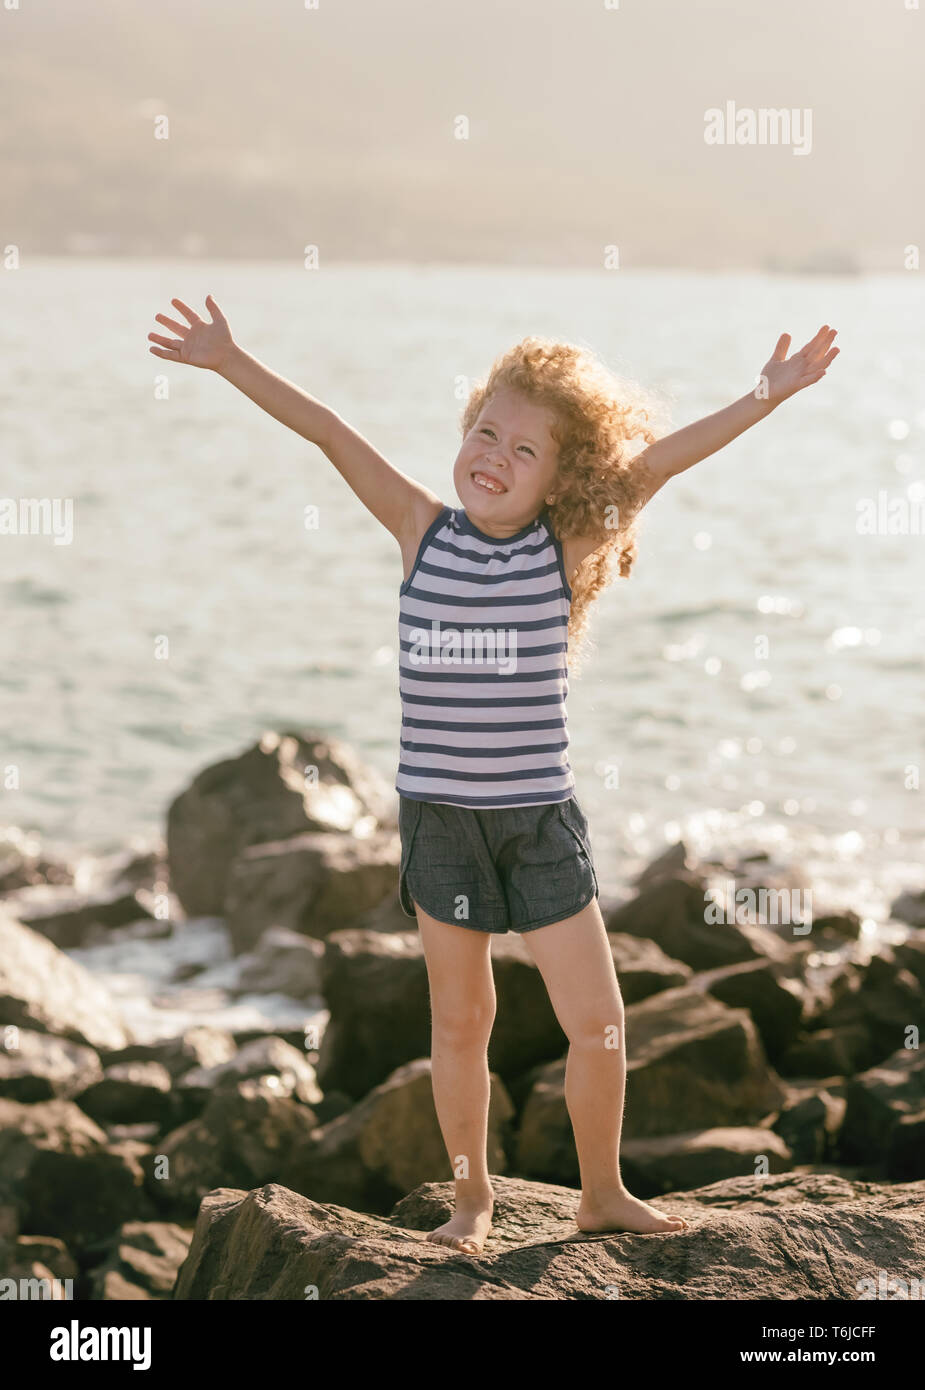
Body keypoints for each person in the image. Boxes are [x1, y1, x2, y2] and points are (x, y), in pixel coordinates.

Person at [149, 297, 838, 1255]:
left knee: (596, 1021)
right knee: (461, 1021)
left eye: (525, 451)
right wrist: (231, 360)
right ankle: (472, 1202)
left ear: (562, 477)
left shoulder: (565, 551)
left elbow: (659, 463)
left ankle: (600, 1191)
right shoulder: (418, 529)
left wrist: (763, 395)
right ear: (463, 430)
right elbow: (327, 430)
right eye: (486, 433)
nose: (496, 458)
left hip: (536, 823)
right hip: (442, 823)